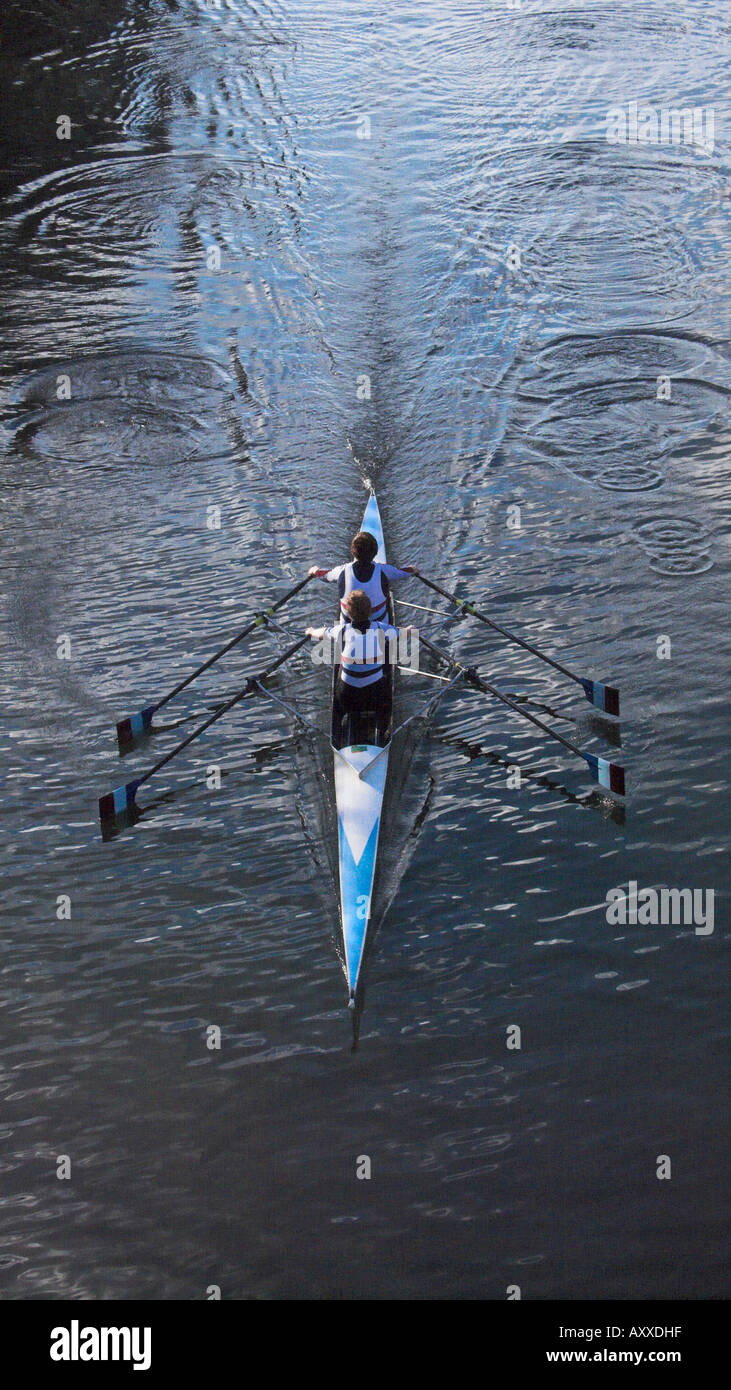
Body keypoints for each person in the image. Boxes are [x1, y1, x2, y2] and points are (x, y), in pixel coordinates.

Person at [307, 590, 409, 726]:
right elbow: (405, 633)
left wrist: (311, 631)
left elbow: (319, 633)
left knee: (342, 666)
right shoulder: (382, 628)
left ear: (348, 613)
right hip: (375, 695)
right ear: (370, 611)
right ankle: (384, 723)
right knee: (383, 663)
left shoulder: (341, 630)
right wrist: (410, 629)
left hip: (347, 697)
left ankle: (341, 718)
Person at [308, 529, 418, 625]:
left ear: (352, 552)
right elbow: (403, 572)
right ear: (375, 553)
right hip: (379, 625)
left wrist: (315, 571)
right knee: (387, 594)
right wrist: (413, 569)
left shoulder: (341, 571)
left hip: (347, 625)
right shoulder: (384, 570)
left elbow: (324, 575)